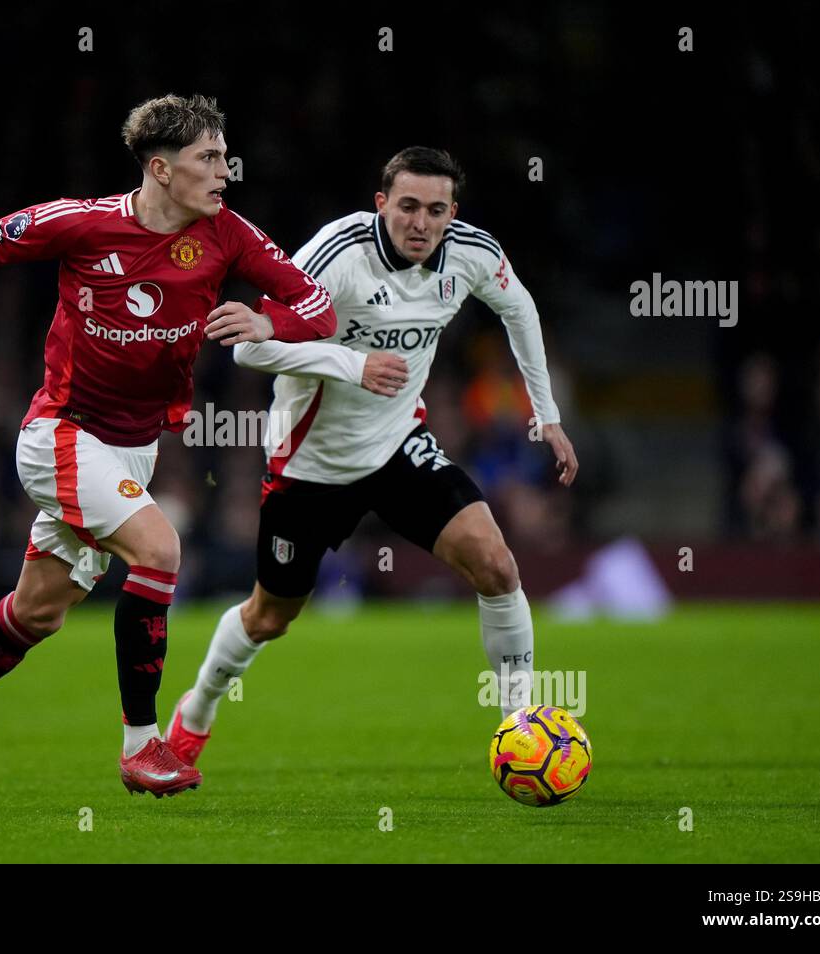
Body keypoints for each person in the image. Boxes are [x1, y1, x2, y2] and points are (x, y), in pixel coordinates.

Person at [0, 94, 336, 801]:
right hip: (61, 433)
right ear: (160, 169)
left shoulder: (229, 235)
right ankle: (141, 746)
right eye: (208, 159)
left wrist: (265, 317)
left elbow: (318, 308)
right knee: (160, 551)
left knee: (37, 613)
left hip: (133, 450)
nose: (225, 171)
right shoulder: (84, 223)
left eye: (224, 156)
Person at [166, 147, 578, 766]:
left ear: (451, 213)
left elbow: (519, 309)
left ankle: (520, 728)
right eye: (408, 206)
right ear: (382, 204)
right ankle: (197, 707)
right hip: (309, 464)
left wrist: (546, 414)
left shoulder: (471, 254)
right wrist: (352, 363)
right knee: (270, 616)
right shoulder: (337, 255)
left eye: (435, 210)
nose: (420, 222)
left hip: (397, 446)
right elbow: (251, 349)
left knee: (497, 566)